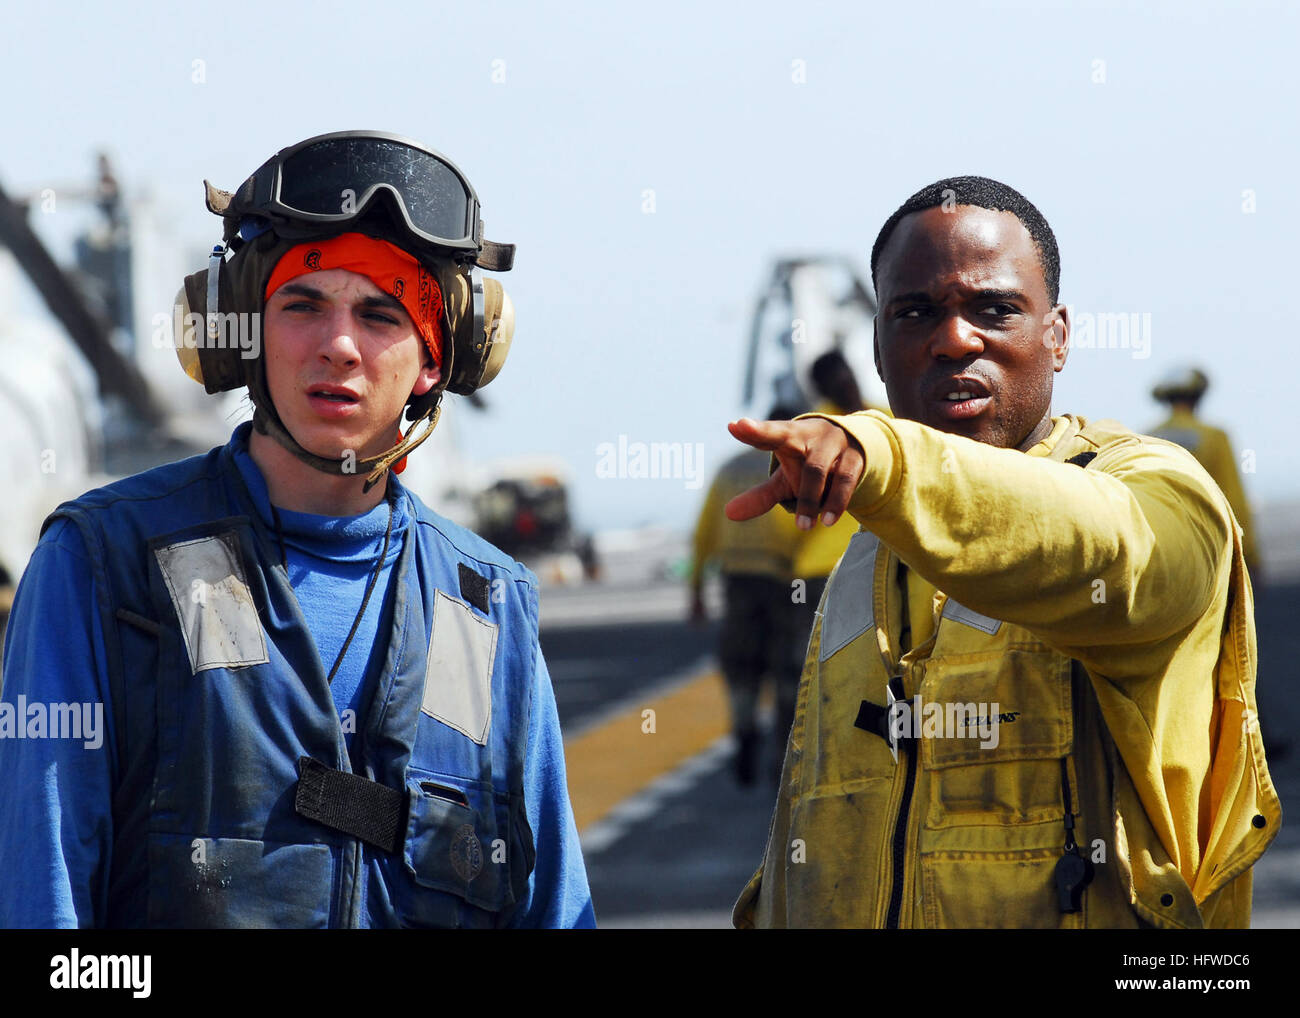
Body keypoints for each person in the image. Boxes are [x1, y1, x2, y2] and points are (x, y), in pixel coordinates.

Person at [0, 131, 595, 929]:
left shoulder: (487, 607)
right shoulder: (104, 566)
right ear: (243, 333)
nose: (339, 345)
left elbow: (552, 906)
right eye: (303, 306)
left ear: (434, 361)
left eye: (381, 314)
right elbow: (42, 903)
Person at [730, 176, 1279, 928]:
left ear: (1058, 336)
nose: (954, 339)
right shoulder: (866, 556)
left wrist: (888, 456)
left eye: (994, 309)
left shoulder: (1159, 488)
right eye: (915, 312)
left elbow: (1117, 556)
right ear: (879, 349)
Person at [690, 405, 804, 785]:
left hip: (737, 580)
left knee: (741, 667)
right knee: (790, 667)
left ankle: (744, 730)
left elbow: (705, 531)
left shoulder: (729, 469)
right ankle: (784, 755)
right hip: (787, 581)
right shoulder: (799, 463)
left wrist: (696, 590)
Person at [1149, 367, 1260, 578]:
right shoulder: (1214, 436)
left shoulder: (1149, 437)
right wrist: (1249, 555)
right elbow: (1234, 499)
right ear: (1199, 396)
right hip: (1209, 549)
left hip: (1159, 551)